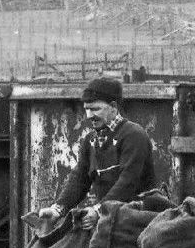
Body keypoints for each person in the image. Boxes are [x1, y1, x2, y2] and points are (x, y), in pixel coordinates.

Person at [37, 77, 156, 230]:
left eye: (95, 109)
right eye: (86, 109)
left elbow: (128, 182)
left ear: (113, 107)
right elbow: (80, 178)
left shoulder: (134, 135)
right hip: (109, 219)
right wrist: (57, 210)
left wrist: (98, 211)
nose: (88, 115)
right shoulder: (90, 140)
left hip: (139, 220)